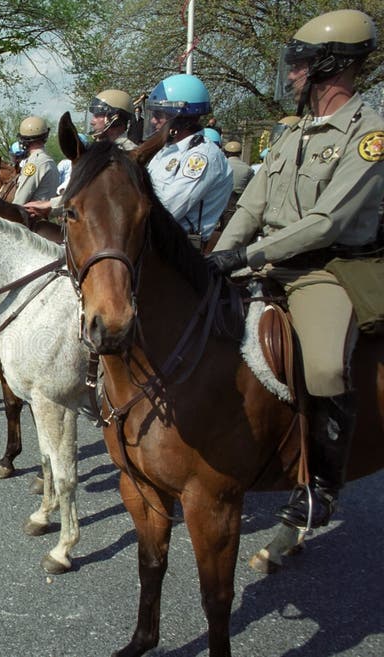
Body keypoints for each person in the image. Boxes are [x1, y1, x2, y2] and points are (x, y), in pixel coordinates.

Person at [208, 9, 383, 530]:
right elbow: (251, 208)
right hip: (267, 259)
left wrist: (246, 257)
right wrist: (218, 256)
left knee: (326, 366)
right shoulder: (293, 135)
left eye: (300, 64)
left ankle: (321, 488)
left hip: (324, 269)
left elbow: (327, 223)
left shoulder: (370, 135)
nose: (290, 74)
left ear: (330, 65)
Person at [144, 73, 233, 249]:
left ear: (180, 117)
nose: (153, 121)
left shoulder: (202, 156)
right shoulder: (166, 151)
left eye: (159, 114)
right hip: (155, 245)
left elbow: (168, 210)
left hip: (180, 253)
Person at [11, 116, 59, 206]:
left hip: (29, 218)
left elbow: (20, 201)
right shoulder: (50, 161)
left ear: (23, 140)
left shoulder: (34, 163)